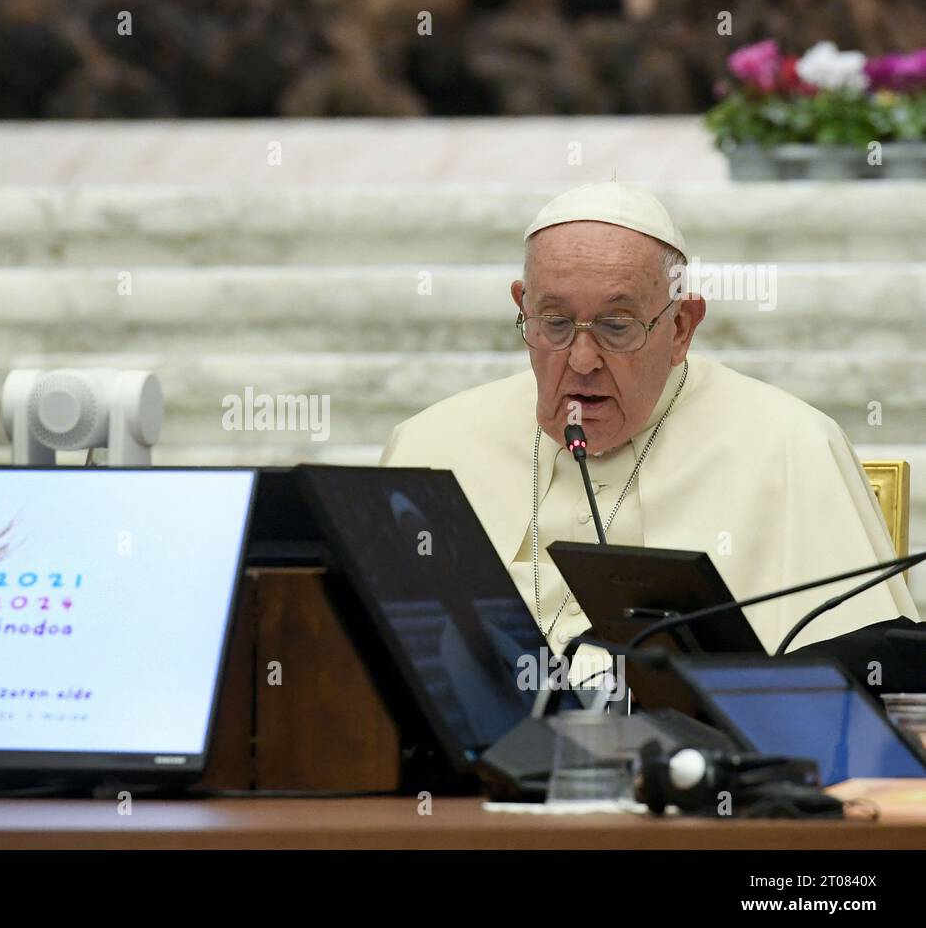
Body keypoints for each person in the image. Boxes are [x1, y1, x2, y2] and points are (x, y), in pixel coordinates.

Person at [381, 181, 918, 655]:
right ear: (522, 305)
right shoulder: (432, 444)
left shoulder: (792, 446)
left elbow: (865, 692)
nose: (582, 358)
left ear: (681, 325)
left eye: (617, 326)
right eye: (555, 322)